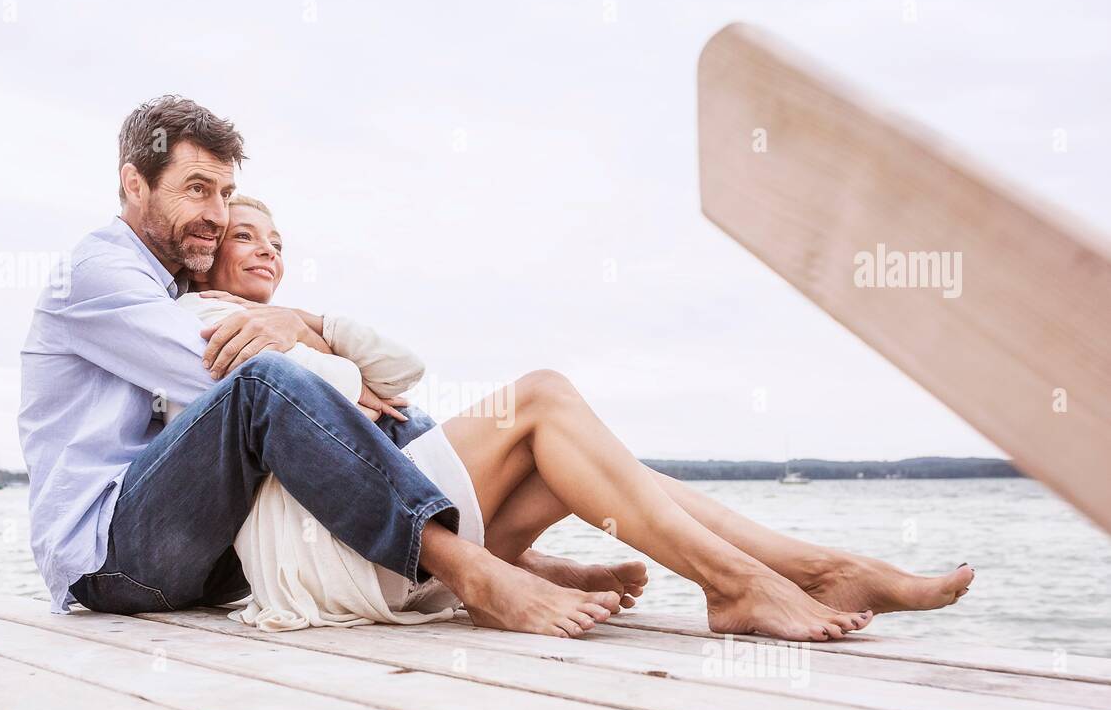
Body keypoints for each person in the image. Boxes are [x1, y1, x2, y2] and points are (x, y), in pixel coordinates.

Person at [184, 197, 976, 640]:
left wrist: (307, 319)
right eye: (244, 236)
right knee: (543, 397)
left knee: (594, 469)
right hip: (331, 544)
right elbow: (327, 402)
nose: (267, 249)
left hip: (389, 534)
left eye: (277, 240)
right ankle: (741, 584)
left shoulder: (285, 324)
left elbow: (401, 372)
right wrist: (320, 353)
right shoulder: (196, 320)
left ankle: (814, 569)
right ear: (207, 251)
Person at [18, 95, 633, 640]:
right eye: (197, 188)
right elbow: (223, 370)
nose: (217, 213)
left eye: (225, 193)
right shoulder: (99, 273)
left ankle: (508, 555)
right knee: (264, 387)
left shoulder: (178, 280)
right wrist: (350, 381)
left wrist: (317, 346)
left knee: (396, 417)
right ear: (134, 182)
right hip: (110, 561)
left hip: (209, 554)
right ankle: (470, 571)